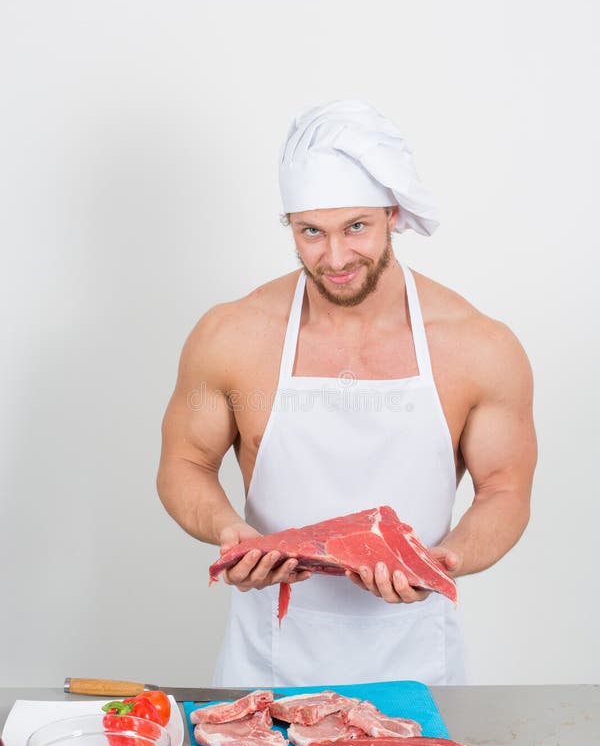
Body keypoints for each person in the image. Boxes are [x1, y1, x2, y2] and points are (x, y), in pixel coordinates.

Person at [156, 99, 537, 687]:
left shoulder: (477, 345)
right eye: (312, 232)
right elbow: (184, 462)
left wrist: (446, 560)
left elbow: (506, 490)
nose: (335, 258)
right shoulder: (231, 334)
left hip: (420, 667)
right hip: (265, 667)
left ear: (391, 214)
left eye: (355, 227)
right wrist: (228, 529)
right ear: (291, 226)